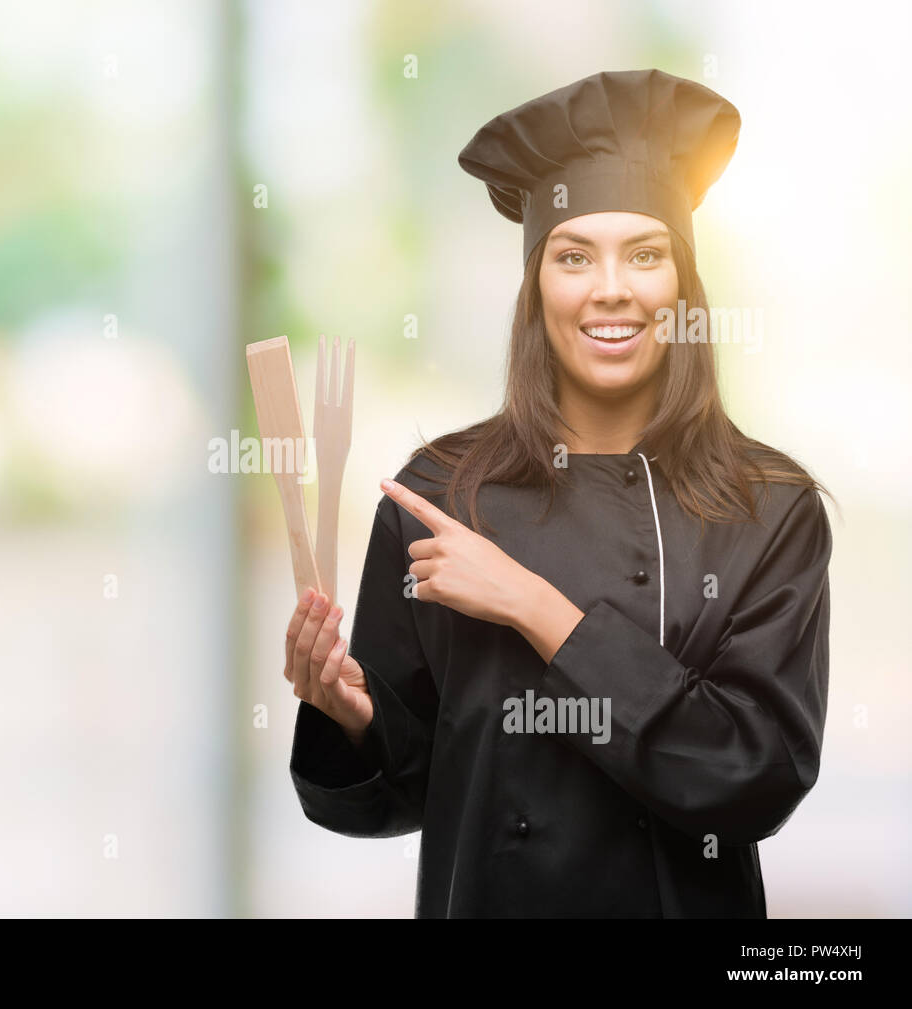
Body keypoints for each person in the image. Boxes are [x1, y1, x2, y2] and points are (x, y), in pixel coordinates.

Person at [284, 69, 835, 917]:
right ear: (538, 287)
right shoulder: (438, 493)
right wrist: (351, 716)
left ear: (681, 287)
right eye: (574, 256)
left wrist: (537, 607)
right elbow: (398, 794)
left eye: (645, 255)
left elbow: (753, 778)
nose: (610, 288)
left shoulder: (768, 507)